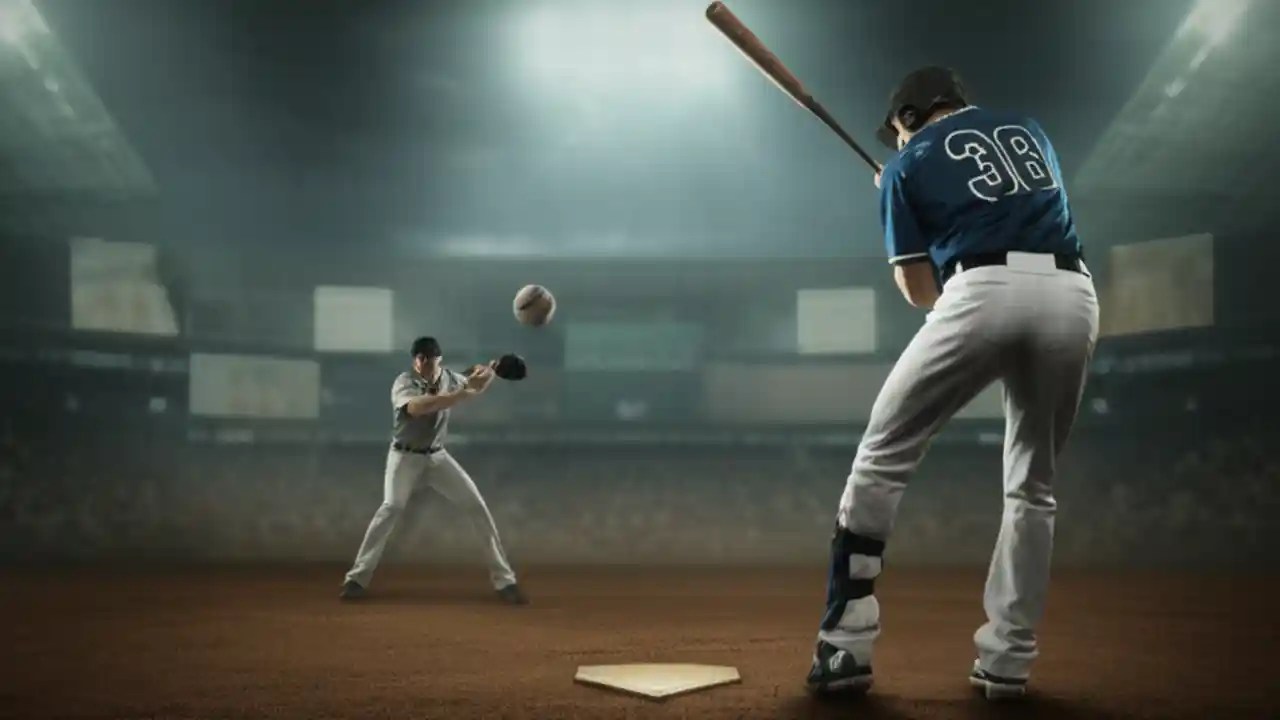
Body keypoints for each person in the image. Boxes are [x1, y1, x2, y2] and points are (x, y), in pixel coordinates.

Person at [805, 67, 1099, 699]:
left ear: (909, 117)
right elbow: (1004, 206)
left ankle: (845, 645)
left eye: (899, 131)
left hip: (983, 291)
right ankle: (1008, 662)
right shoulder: (1030, 130)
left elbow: (919, 293)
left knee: (883, 455)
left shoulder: (909, 164)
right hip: (1073, 293)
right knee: (1033, 489)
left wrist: (897, 194)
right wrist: (914, 192)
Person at [340, 336, 527, 605]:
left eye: (428, 357)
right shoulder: (405, 382)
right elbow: (417, 407)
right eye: (419, 357)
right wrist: (458, 395)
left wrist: (491, 371)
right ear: (414, 359)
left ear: (438, 359)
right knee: (391, 507)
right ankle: (356, 578)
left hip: (437, 458)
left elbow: (473, 381)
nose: (422, 362)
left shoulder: (450, 378)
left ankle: (505, 581)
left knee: (477, 506)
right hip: (404, 457)